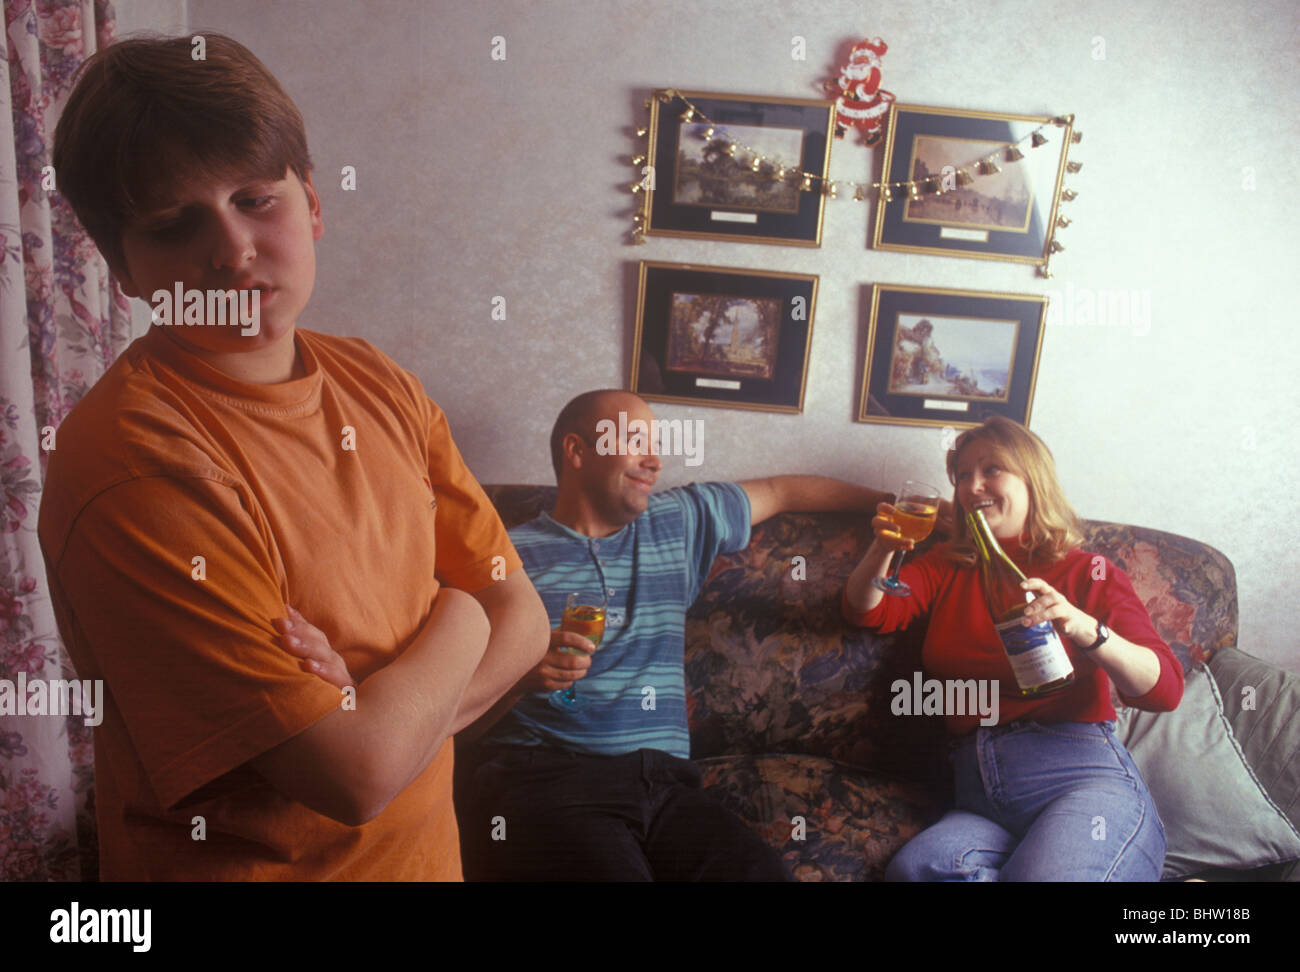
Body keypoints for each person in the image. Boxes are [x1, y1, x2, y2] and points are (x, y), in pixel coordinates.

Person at [37, 33, 548, 880]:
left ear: (312, 204)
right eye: (174, 225)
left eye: (255, 199)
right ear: (122, 268)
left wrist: (392, 704)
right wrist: (457, 616)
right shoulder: (134, 462)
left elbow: (523, 619)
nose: (232, 251)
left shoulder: (378, 381)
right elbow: (354, 773)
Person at [289, 388, 896, 880]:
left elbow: (789, 491)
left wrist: (891, 507)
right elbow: (443, 712)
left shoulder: (679, 520)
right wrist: (523, 679)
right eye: (634, 441)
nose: (655, 459)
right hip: (548, 779)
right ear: (577, 452)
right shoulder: (501, 562)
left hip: (667, 783)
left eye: (656, 445)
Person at [842, 416, 1183, 881]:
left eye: (991, 470)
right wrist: (883, 547)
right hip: (980, 799)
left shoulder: (1088, 571)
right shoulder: (947, 564)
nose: (972, 485)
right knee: (916, 871)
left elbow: (1163, 689)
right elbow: (869, 611)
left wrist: (1084, 627)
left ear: (1032, 481)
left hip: (1076, 780)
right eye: (963, 474)